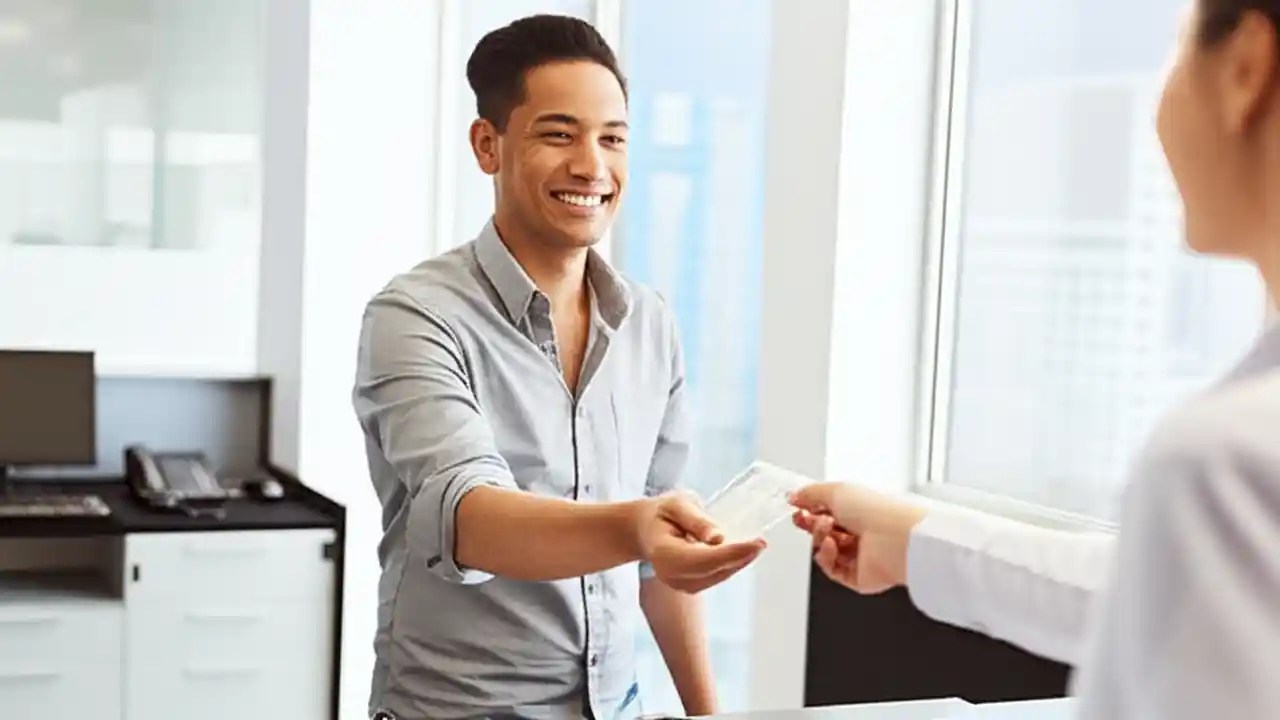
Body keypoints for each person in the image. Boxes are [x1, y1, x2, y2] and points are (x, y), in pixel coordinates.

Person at [792, 1, 1280, 718]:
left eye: (1178, 49)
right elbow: (1161, 594)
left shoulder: (1225, 460)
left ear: (1245, 68)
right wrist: (912, 541)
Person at [352, 14, 763, 720]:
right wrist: (638, 526)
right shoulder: (415, 316)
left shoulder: (649, 323)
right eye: (559, 134)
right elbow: (469, 521)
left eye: (613, 138)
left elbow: (658, 559)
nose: (591, 166)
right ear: (488, 145)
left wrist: (707, 713)